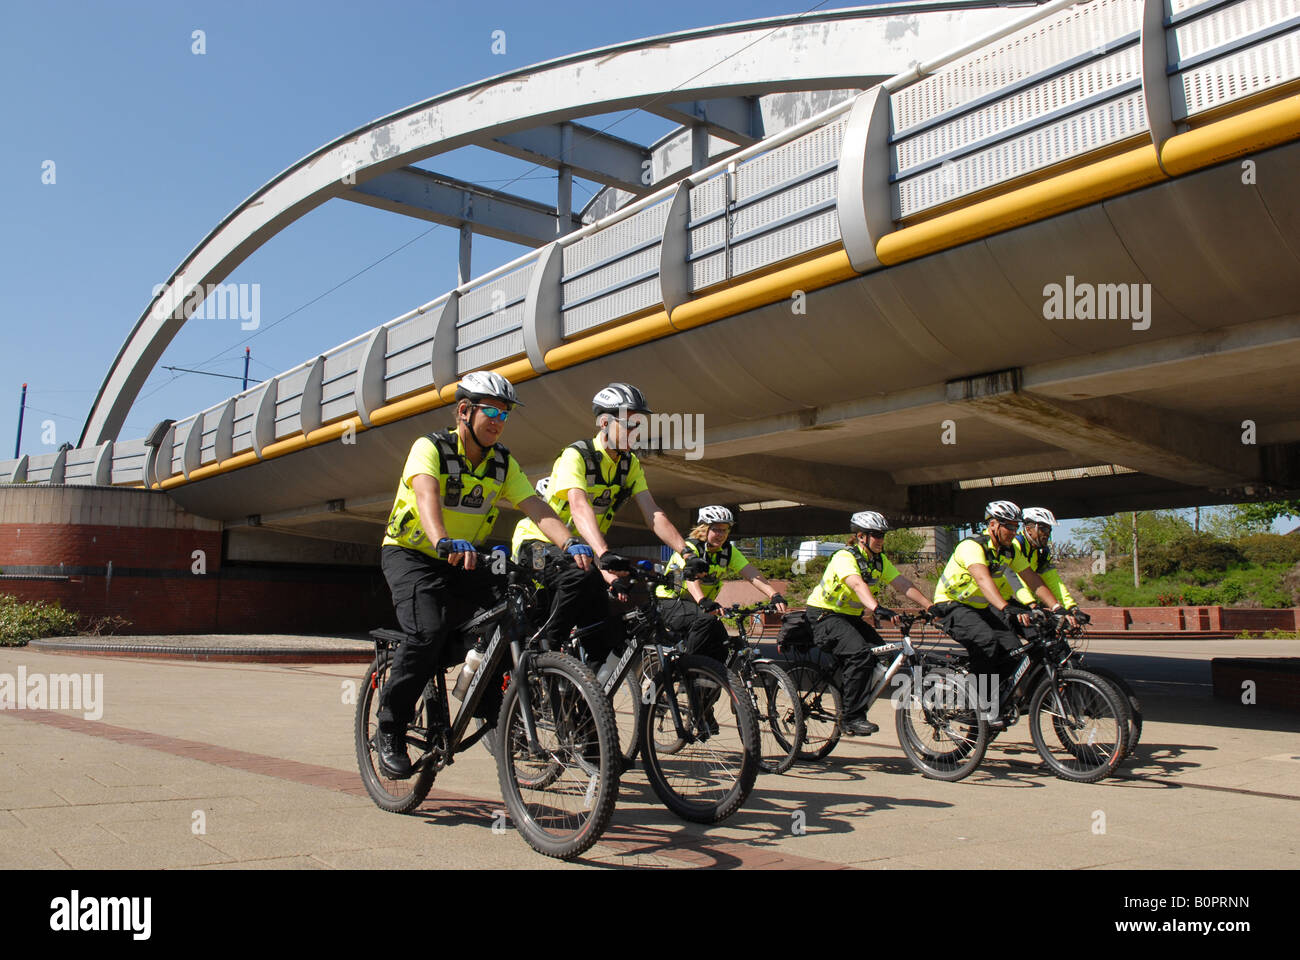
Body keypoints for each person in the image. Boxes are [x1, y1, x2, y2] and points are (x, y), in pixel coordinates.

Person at [376, 371, 593, 779]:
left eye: (505, 414)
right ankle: (390, 727)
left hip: (466, 556)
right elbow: (427, 496)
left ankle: (496, 711)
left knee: (512, 616)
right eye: (491, 411)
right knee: (428, 631)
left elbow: (536, 506)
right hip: (413, 553)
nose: (498, 420)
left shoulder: (502, 462)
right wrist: (442, 540)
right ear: (464, 411)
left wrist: (569, 543)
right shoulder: (431, 449)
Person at [511, 382, 704, 671]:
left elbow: (653, 513)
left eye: (639, 425)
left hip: (584, 554)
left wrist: (686, 553)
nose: (635, 433)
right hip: (537, 543)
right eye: (629, 425)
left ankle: (587, 697)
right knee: (580, 576)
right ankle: (548, 654)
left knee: (605, 635)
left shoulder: (630, 465)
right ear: (604, 422)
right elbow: (578, 505)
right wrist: (603, 553)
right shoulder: (576, 455)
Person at [929, 500, 1062, 718]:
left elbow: (1033, 580)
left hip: (980, 606)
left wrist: (1057, 607)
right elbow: (982, 579)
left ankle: (997, 699)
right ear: (992, 525)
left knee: (1015, 653)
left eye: (1015, 526)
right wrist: (1006, 607)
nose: (1013, 531)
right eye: (1008, 526)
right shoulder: (972, 546)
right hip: (951, 605)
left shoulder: (1009, 552)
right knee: (986, 641)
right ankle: (977, 705)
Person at [804, 511, 932, 736]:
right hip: (825, 615)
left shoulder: (879, 561)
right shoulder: (845, 557)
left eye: (882, 535)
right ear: (861, 536)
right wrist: (876, 608)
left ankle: (851, 695)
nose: (880, 539)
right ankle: (851, 717)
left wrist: (930, 606)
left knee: (880, 655)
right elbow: (856, 584)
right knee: (860, 654)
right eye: (876, 535)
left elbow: (901, 583)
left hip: (849, 616)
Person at [655, 505, 788, 663]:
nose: (721, 535)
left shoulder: (727, 551)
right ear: (704, 529)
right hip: (670, 602)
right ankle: (688, 669)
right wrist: (703, 601)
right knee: (705, 621)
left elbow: (751, 573)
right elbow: (691, 578)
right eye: (716, 529)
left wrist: (774, 594)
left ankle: (713, 682)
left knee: (721, 641)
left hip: (698, 605)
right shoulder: (690, 548)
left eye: (725, 530)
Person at [1007, 507, 1088, 626]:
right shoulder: (1015, 545)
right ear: (1028, 529)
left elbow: (1054, 580)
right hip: (1004, 598)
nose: (1047, 534)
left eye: (1049, 530)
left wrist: (1072, 607)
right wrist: (1031, 604)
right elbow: (1016, 579)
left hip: (1022, 600)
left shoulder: (1042, 552)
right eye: (1043, 529)